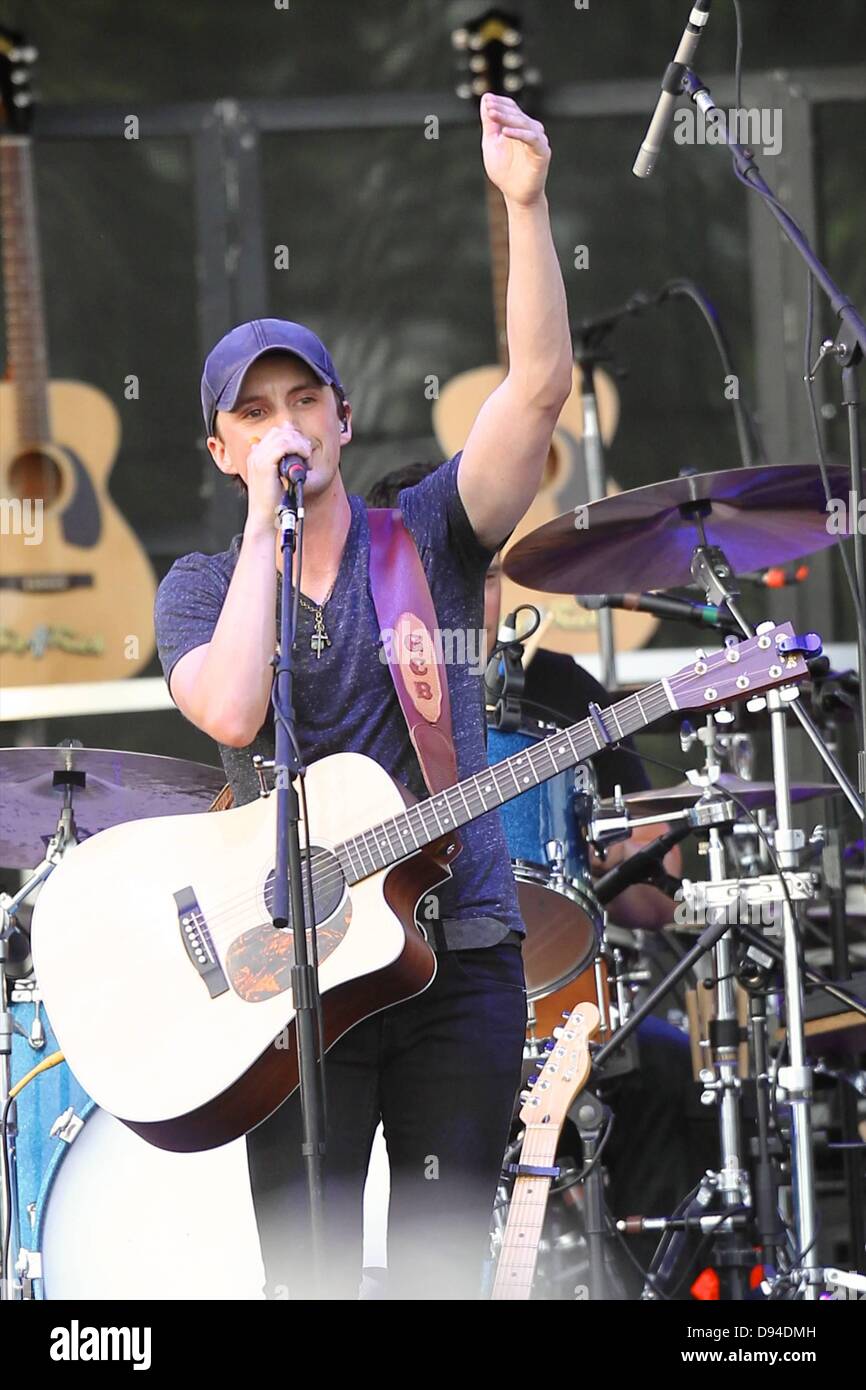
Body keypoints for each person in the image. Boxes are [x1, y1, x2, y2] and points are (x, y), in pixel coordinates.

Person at [154, 92, 573, 1300]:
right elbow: (232, 712)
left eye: (304, 402)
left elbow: (536, 389)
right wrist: (258, 526)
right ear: (224, 451)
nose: (287, 427)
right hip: (294, 989)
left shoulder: (426, 535)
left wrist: (525, 203)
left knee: (441, 1280)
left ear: (343, 416)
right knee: (312, 1285)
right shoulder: (199, 588)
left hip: (457, 962)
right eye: (254, 415)